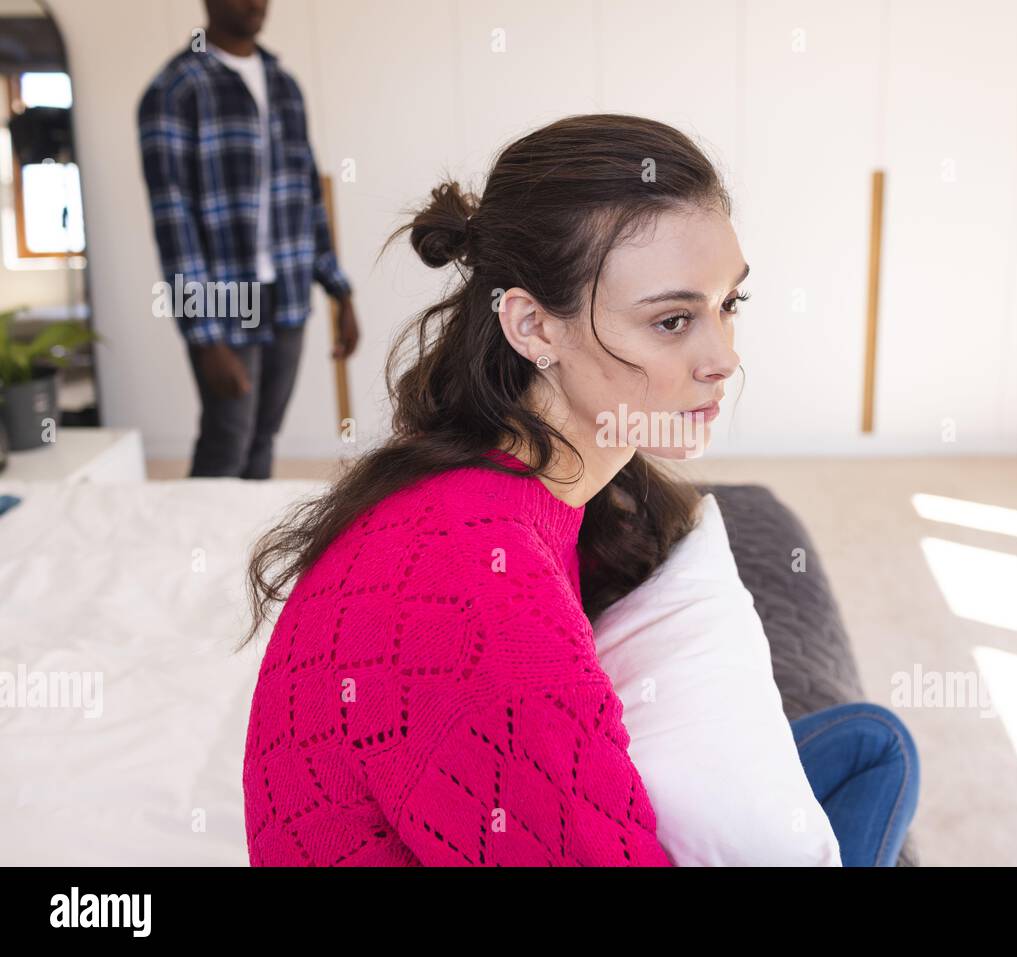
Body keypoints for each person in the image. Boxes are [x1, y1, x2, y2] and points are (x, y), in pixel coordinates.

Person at [237, 112, 919, 866]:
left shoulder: (510, 481)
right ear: (532, 327)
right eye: (672, 320)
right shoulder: (484, 601)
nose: (722, 356)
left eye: (730, 304)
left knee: (874, 746)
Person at [137, 0, 359, 479]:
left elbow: (307, 196)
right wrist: (203, 335)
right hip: (224, 295)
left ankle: (241, 549)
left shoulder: (284, 85)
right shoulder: (174, 89)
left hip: (289, 287)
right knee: (228, 437)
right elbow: (173, 221)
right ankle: (193, 545)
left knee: (263, 436)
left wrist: (340, 289)